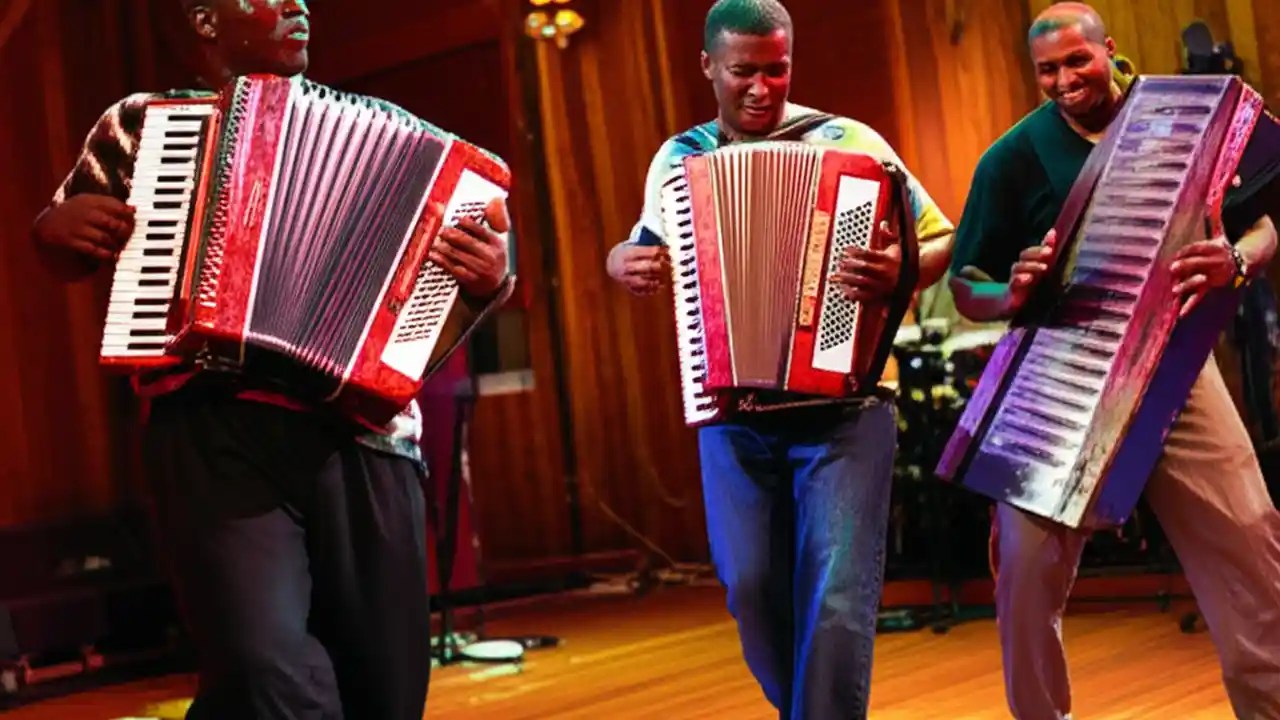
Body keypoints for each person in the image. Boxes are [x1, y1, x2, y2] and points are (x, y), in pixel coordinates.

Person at [29, 1, 514, 718]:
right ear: (205, 22)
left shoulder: (400, 133)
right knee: (265, 671)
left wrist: (490, 274)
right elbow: (63, 242)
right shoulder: (142, 124)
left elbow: (474, 270)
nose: (297, 5)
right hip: (214, 429)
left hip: (365, 437)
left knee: (383, 691)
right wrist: (54, 229)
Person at [606, 1, 954, 716]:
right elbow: (642, 243)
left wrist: (902, 269)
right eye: (743, 73)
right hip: (734, 411)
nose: (762, 88)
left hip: (848, 406)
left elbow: (941, 236)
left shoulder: (851, 142)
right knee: (752, 588)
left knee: (835, 600)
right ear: (708, 67)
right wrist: (619, 261)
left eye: (777, 69)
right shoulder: (680, 160)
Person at [948, 3, 1280, 718]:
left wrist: (1235, 261)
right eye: (1048, 70)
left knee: (1250, 542)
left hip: (1173, 370)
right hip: (1059, 381)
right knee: (1026, 572)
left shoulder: (1181, 117)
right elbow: (964, 284)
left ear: (1110, 50)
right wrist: (1012, 290)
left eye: (1078, 61)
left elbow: (1260, 226)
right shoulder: (1011, 158)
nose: (1065, 79)